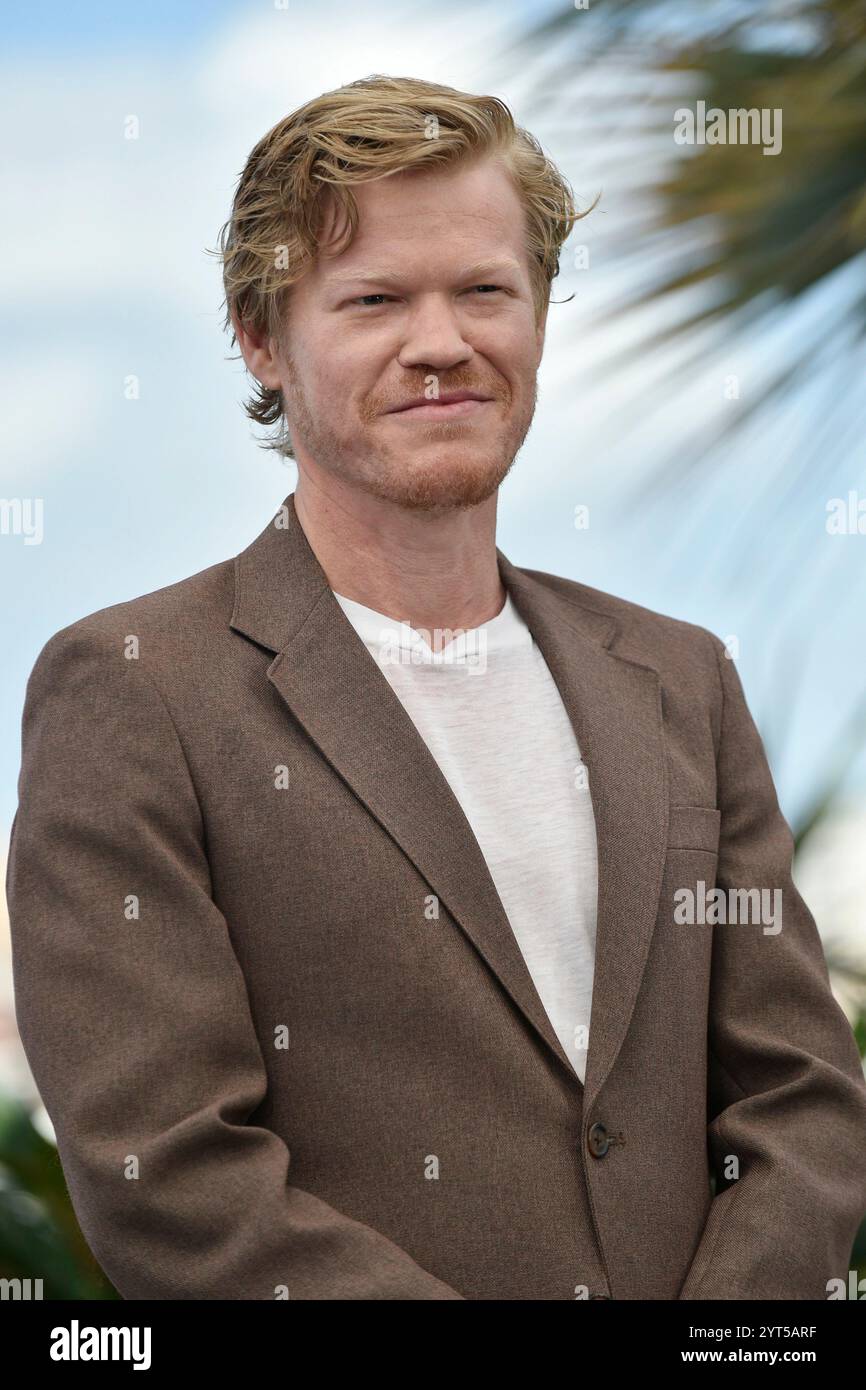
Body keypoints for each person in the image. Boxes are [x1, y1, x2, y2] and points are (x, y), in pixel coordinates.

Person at [7, 74, 866, 1301]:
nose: (440, 342)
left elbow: (801, 1099)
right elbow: (174, 1175)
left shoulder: (681, 678)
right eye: (372, 299)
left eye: (482, 290)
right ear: (260, 336)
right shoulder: (134, 690)